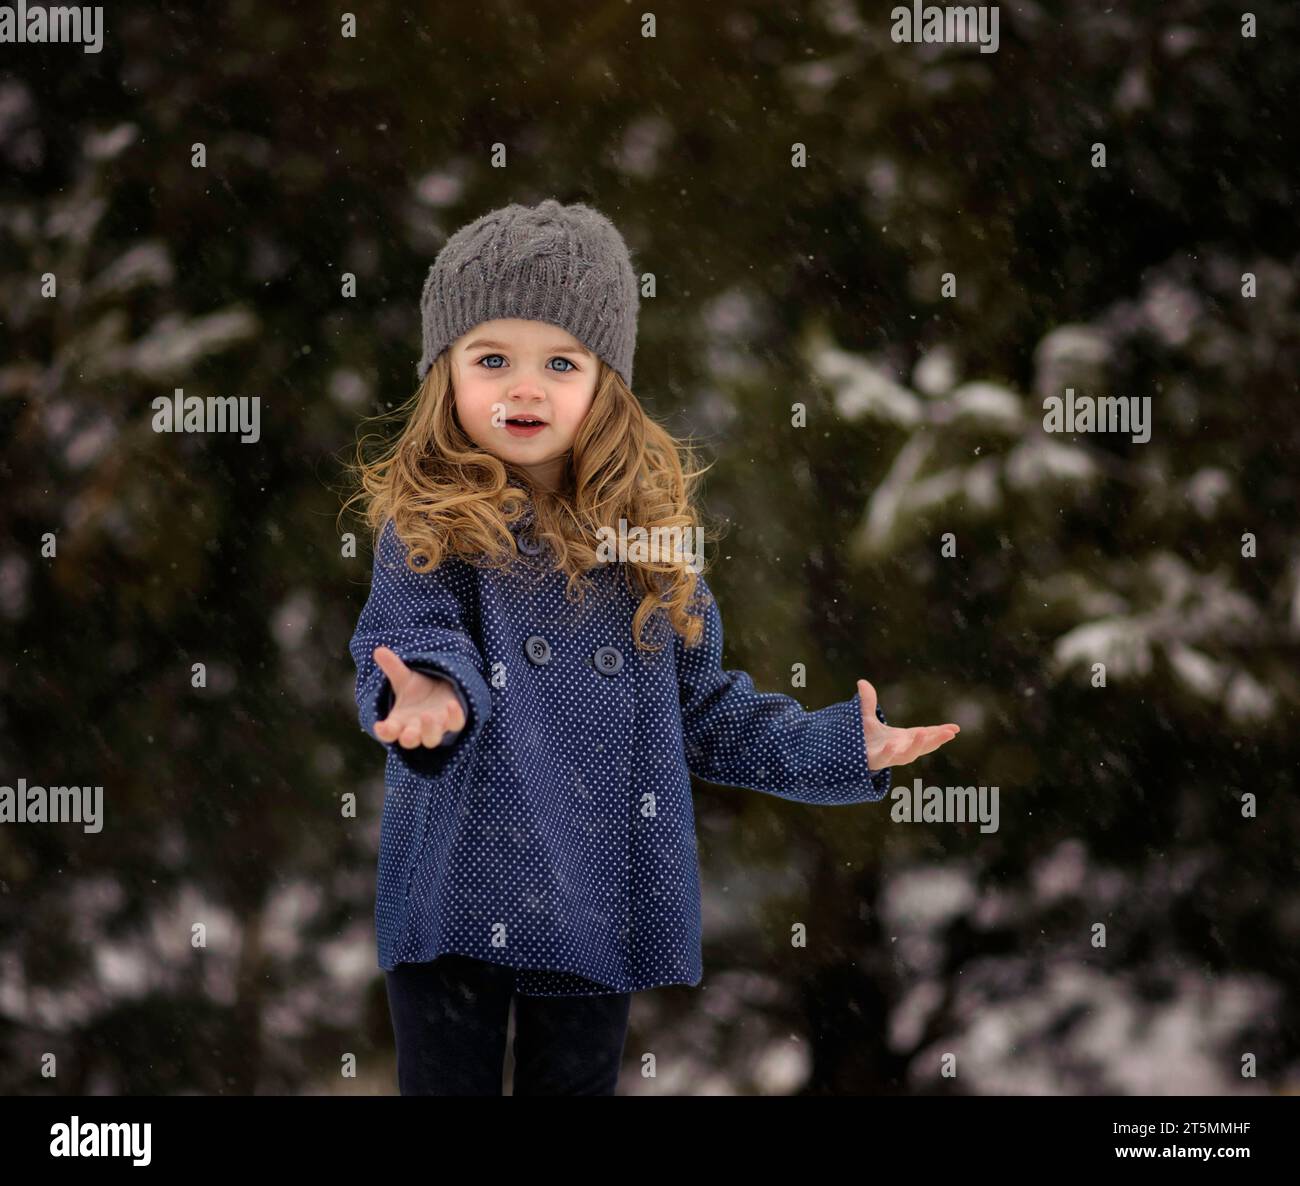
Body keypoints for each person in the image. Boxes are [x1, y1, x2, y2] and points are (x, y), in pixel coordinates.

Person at [344, 198, 960, 1095]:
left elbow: (702, 710)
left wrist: (837, 747)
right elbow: (414, 631)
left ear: (608, 382)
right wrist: (433, 693)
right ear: (446, 376)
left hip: (595, 894)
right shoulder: (432, 523)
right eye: (492, 360)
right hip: (457, 888)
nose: (526, 388)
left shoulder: (651, 545)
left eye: (561, 361)